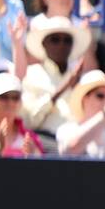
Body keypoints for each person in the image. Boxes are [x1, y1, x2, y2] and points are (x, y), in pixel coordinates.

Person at [21, 12, 89, 142]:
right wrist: (63, 88)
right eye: (55, 40)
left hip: (78, 142)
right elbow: (29, 120)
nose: (62, 45)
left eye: (67, 40)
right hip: (46, 142)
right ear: (44, 44)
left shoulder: (80, 78)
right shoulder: (32, 75)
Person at [0, 69, 38, 156]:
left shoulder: (29, 137)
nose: (10, 103)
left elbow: (42, 163)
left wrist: (32, 156)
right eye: (4, 97)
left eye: (15, 97)